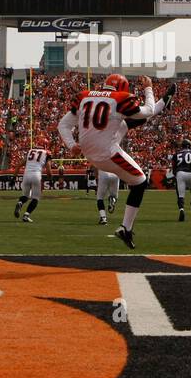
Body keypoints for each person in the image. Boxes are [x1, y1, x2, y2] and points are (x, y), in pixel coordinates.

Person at [57, 72, 173, 248]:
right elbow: (147, 110)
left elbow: (63, 125)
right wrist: (148, 87)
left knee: (134, 121)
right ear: (123, 88)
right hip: (107, 152)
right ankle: (125, 228)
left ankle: (165, 102)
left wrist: (72, 145)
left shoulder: (85, 97)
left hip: (89, 151)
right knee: (140, 182)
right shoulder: (120, 99)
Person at [169, 138, 191, 222]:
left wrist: (176, 175)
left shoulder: (177, 154)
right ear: (189, 145)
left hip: (180, 173)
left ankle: (181, 210)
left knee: (180, 195)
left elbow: (174, 168)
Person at [14, 146, 49, 223]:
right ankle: (26, 216)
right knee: (35, 198)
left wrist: (14, 178)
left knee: (25, 196)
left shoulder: (30, 152)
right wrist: (51, 178)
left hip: (26, 175)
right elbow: (49, 171)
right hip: (36, 176)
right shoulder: (45, 153)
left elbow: (19, 165)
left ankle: (20, 203)